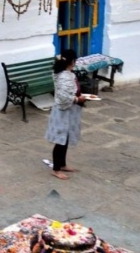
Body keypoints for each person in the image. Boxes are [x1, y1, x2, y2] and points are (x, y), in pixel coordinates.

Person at [44, 49, 83, 180]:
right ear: (71, 61)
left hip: (68, 112)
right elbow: (64, 97)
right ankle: (56, 169)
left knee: (65, 138)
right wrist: (78, 99)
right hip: (62, 112)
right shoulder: (64, 76)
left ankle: (62, 164)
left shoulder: (66, 74)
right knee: (60, 140)